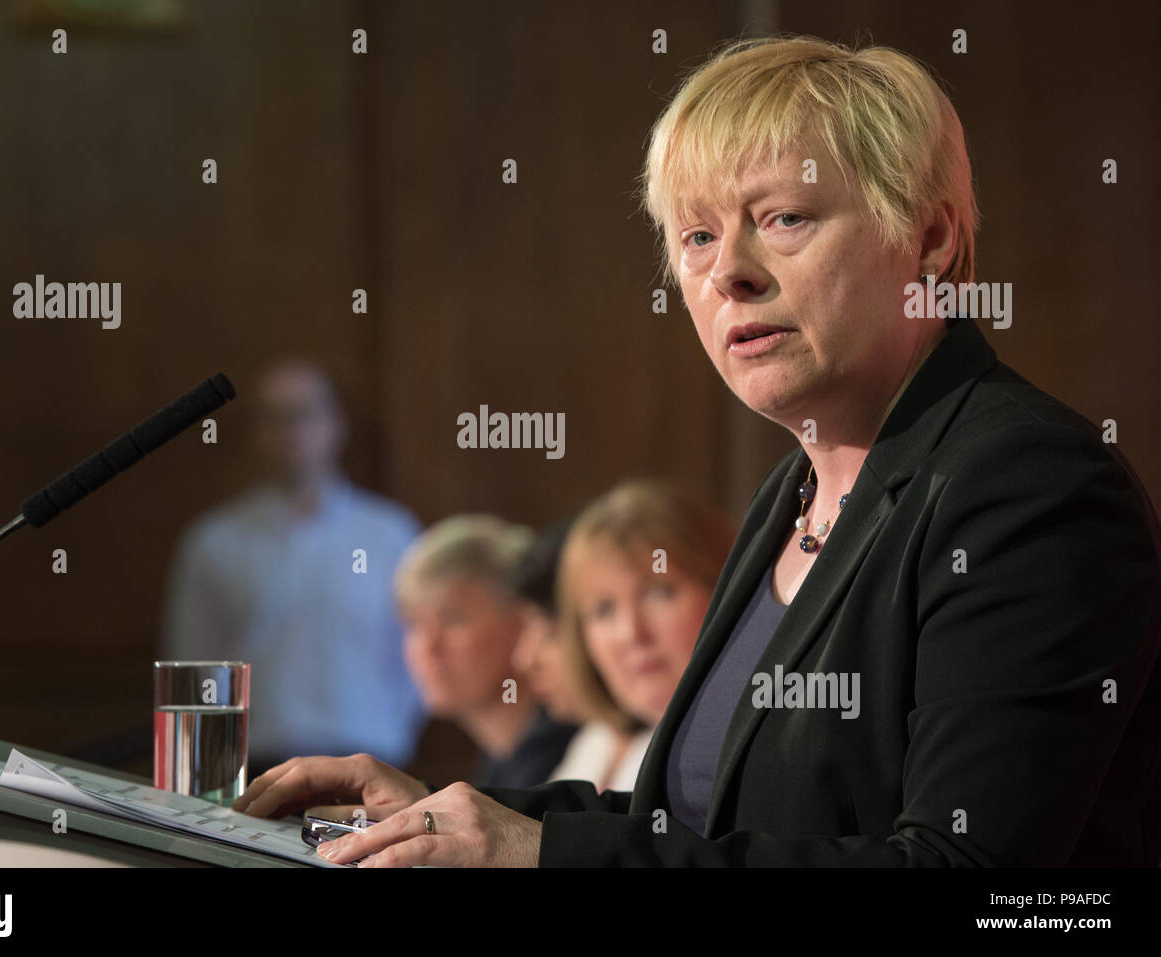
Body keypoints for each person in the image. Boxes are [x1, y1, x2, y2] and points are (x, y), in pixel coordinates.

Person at [233, 35, 1161, 866]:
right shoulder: (789, 496)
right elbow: (696, 822)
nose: (728, 273)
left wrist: (546, 859)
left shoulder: (1026, 485)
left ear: (928, 239)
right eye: (698, 236)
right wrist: (444, 816)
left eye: (786, 218)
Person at [161, 360, 425, 774]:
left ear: (338, 424)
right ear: (256, 432)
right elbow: (192, 669)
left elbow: (418, 653)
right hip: (250, 766)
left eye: (305, 413)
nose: (291, 429)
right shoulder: (214, 540)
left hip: (370, 762)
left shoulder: (392, 535)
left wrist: (393, 732)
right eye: (274, 417)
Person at [537, 481, 736, 792]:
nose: (630, 633)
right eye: (604, 610)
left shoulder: (745, 754)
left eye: (658, 593)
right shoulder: (596, 742)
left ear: (724, 589)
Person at [394, 514, 578, 788]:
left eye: (452, 619)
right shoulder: (502, 756)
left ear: (525, 621)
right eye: (415, 624)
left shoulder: (566, 750)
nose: (427, 648)